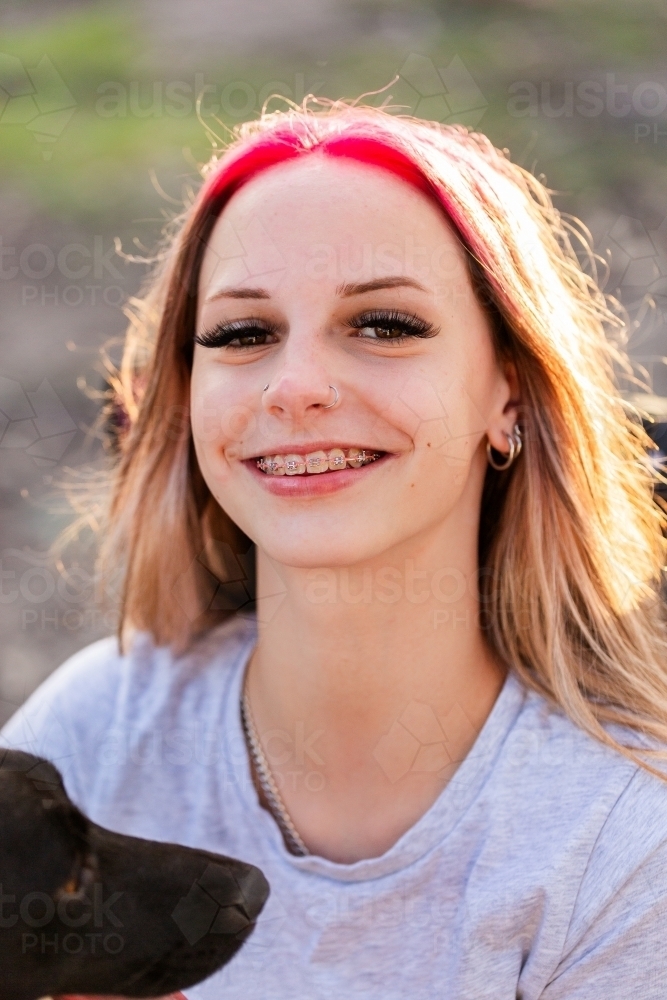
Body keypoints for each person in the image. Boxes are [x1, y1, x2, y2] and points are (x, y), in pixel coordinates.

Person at [3, 101, 667, 999]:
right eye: (242, 334)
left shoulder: (627, 843)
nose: (297, 387)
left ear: (508, 391)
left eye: (384, 324)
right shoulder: (94, 736)